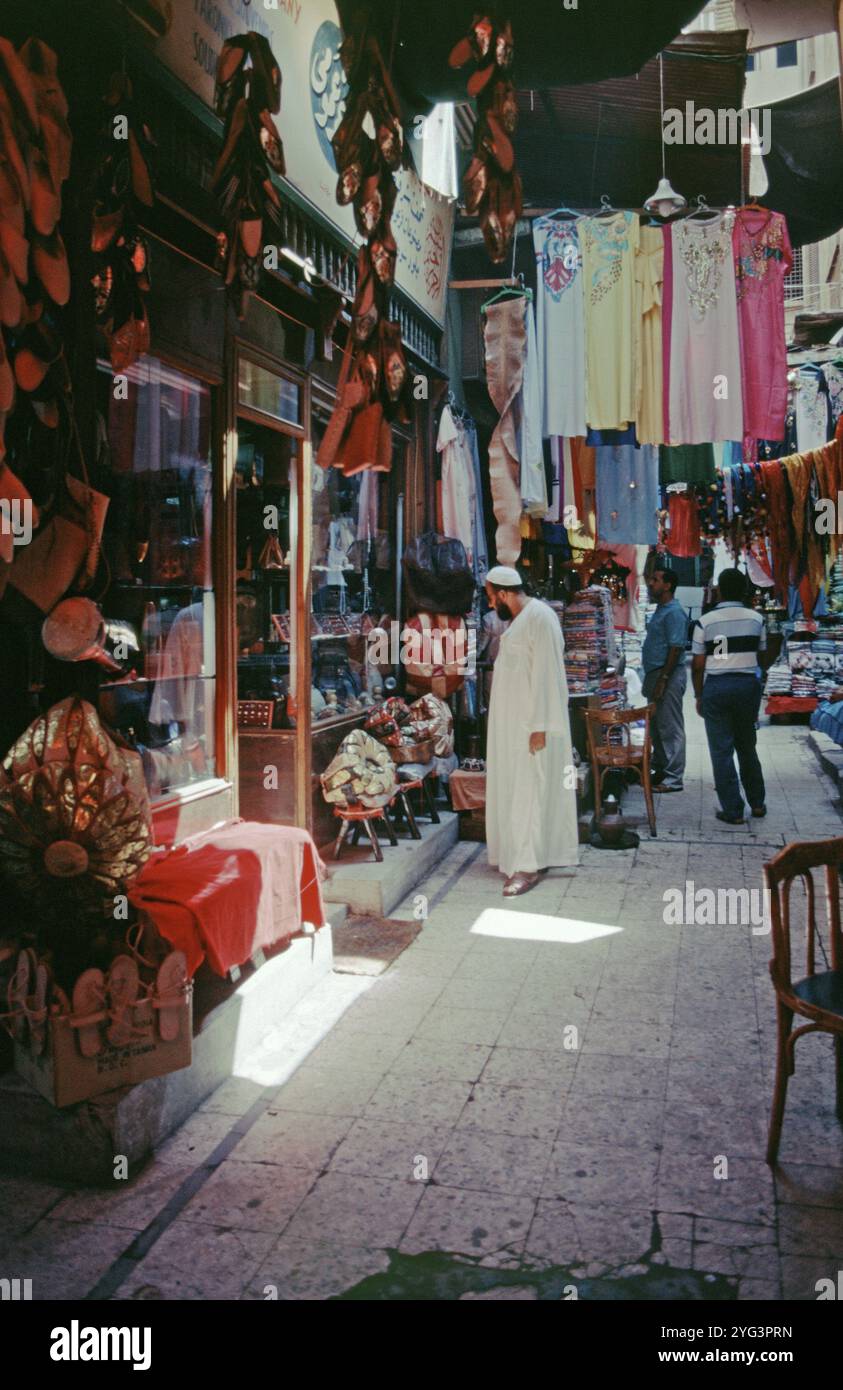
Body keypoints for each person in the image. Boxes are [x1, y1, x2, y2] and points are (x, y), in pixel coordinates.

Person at [484, 565, 579, 896]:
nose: (490, 602)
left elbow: (548, 675)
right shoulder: (522, 620)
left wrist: (540, 726)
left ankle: (527, 867)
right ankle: (526, 855)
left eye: (491, 595)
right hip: (513, 728)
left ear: (505, 594)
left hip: (530, 727)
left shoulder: (539, 617)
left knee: (528, 792)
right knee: (520, 791)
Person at [691, 567, 768, 824]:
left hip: (718, 688)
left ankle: (733, 810)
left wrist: (699, 695)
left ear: (719, 590)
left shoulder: (706, 621)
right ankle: (757, 803)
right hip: (747, 686)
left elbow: (699, 664)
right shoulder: (756, 619)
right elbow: (763, 655)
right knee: (747, 745)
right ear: (745, 590)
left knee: (721, 750)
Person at [641, 566, 687, 792]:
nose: (651, 583)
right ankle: (661, 770)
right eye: (651, 579)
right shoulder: (661, 609)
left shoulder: (674, 612)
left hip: (666, 674)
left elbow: (676, 648)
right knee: (657, 726)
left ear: (668, 585)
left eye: (656, 580)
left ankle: (673, 778)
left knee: (670, 726)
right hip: (656, 673)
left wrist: (664, 678)